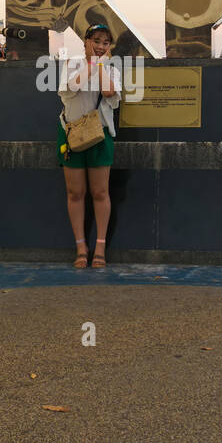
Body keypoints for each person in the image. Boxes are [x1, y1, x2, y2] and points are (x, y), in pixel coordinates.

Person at [58, 23, 123, 269]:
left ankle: (100, 247)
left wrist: (100, 65)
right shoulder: (72, 63)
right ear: (85, 41)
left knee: (100, 192)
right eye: (96, 40)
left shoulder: (112, 68)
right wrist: (92, 65)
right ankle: (80, 247)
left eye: (106, 43)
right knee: (75, 193)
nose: (100, 46)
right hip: (71, 133)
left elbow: (109, 92)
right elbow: (71, 87)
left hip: (99, 135)